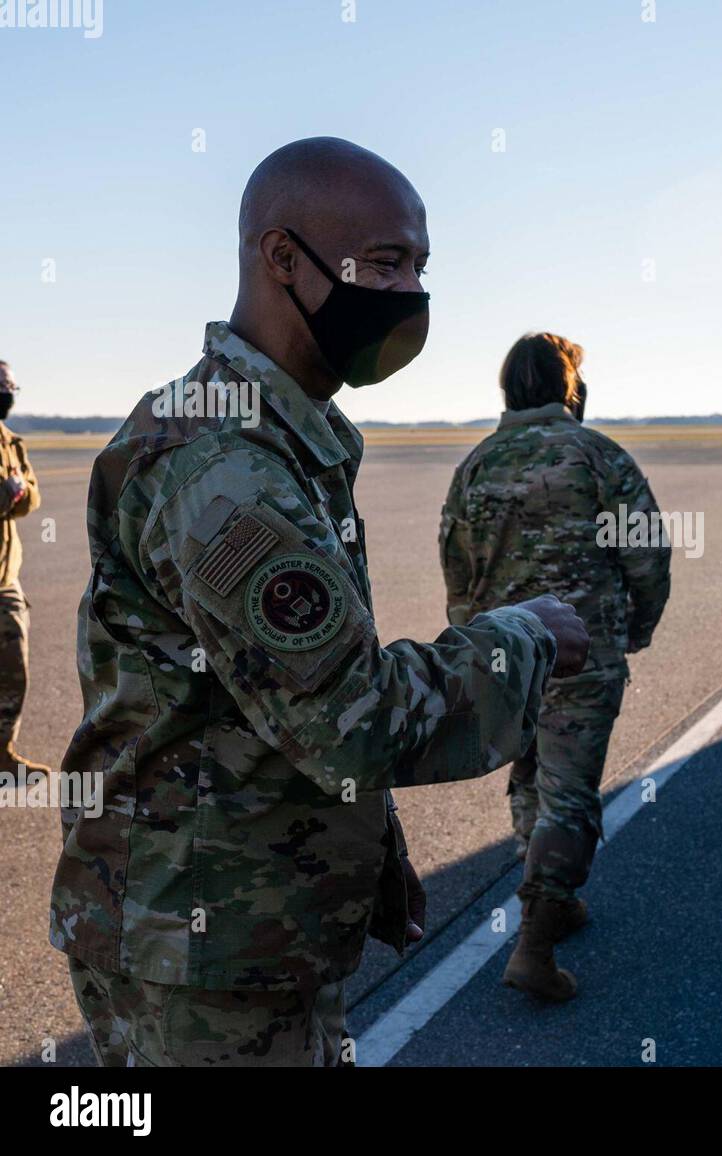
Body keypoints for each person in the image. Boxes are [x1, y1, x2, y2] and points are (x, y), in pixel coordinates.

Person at [50, 138, 589, 1067]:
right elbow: (350, 716)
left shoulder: (279, 435)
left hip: (253, 919)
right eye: (384, 262)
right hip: (202, 951)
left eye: (421, 265)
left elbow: (272, 701)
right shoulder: (223, 469)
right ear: (283, 259)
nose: (411, 291)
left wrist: (367, 852)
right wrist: (522, 638)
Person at [439, 333, 670, 1001]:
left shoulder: (476, 466)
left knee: (531, 772)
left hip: (506, 659)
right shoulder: (596, 455)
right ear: (572, 389)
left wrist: (471, 646)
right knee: (569, 797)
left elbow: (457, 567)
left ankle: (551, 902)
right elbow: (646, 553)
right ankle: (534, 946)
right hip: (582, 654)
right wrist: (637, 626)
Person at [0, 361, 44, 776]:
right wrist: (5, 495)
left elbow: (32, 499)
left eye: (10, 385)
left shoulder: (12, 442)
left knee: (14, 670)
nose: (7, 392)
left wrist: (17, 494)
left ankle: (1, 755)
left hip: (5, 581)